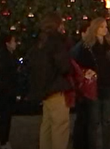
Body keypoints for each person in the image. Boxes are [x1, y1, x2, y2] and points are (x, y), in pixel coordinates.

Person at [72, 17, 110, 149]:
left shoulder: (109, 45)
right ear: (95, 28)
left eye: (105, 27)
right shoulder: (87, 47)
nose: (104, 29)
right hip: (94, 87)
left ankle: (106, 145)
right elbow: (78, 65)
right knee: (94, 121)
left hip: (108, 85)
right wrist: (86, 72)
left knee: (107, 121)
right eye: (101, 27)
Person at [27, 13, 72, 149]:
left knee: (47, 125)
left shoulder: (39, 43)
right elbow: (64, 66)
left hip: (44, 89)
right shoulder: (56, 42)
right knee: (60, 126)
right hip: (56, 87)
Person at [0, 33, 19, 149]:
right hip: (6, 91)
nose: (16, 44)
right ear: (7, 44)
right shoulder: (6, 58)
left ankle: (5, 140)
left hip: (7, 90)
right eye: (13, 41)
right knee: (5, 117)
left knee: (6, 117)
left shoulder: (7, 56)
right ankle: (4, 141)